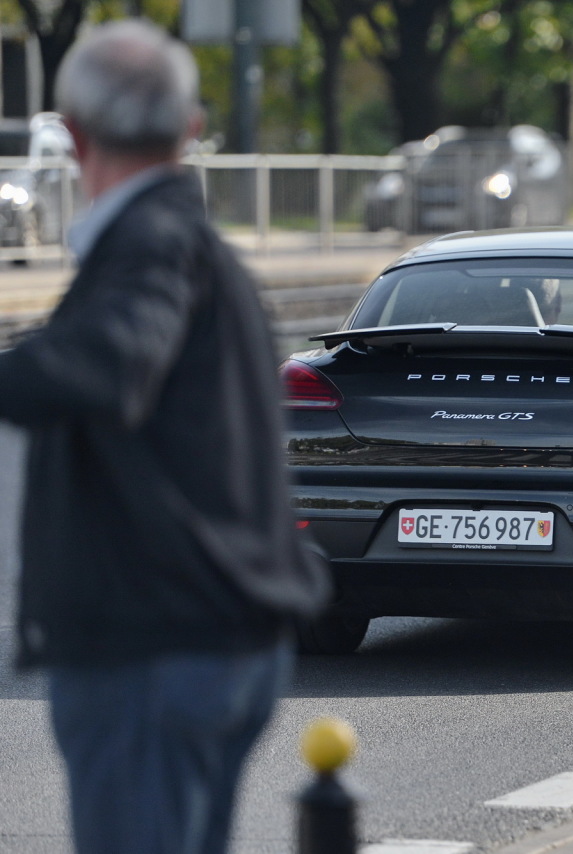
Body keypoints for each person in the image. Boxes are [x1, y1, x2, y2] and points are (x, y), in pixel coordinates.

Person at [0, 19, 329, 854]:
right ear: (188, 128)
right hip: (217, 635)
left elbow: (110, 363)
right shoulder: (203, 253)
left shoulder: (149, 244)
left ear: (72, 135)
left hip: (153, 647)